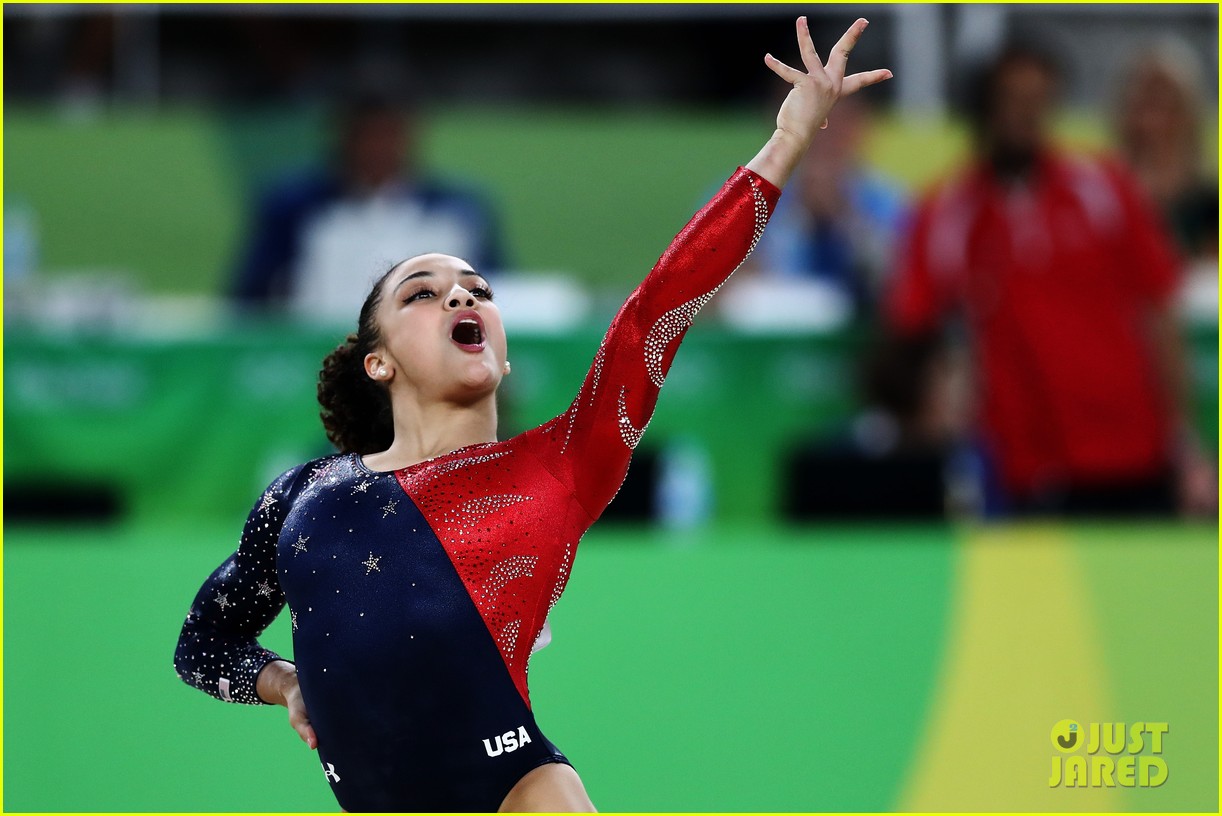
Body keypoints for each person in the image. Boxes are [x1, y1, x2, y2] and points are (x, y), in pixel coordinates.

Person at [174, 17, 892, 812]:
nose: (461, 294)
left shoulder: (562, 465)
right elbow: (202, 645)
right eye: (423, 291)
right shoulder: (303, 499)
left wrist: (786, 142)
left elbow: (659, 308)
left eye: (479, 288)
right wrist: (285, 683)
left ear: (504, 355)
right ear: (376, 361)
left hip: (520, 790)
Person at [884, 42, 1215, 516]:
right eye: (1012, 100)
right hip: (1020, 465)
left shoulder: (1103, 189)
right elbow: (914, 334)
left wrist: (1185, 445)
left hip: (1132, 450)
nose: (1025, 115)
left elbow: (1160, 315)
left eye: (1038, 100)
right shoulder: (945, 213)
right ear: (985, 109)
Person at [229, 92, 504, 322]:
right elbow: (250, 299)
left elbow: (500, 293)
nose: (377, 148)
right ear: (342, 138)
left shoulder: (456, 211)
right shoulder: (294, 208)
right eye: (367, 135)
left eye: (388, 134)